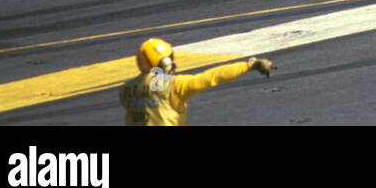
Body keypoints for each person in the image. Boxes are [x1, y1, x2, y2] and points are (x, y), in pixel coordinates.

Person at [119, 37, 277, 126]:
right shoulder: (174, 86)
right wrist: (249, 65)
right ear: (164, 62)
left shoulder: (126, 90)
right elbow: (211, 77)